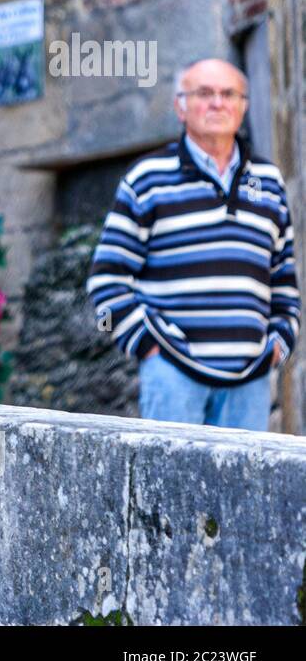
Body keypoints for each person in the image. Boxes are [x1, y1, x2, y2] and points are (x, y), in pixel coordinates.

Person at [87, 58, 300, 430]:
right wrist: (149, 347)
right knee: (168, 487)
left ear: (243, 106)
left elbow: (284, 279)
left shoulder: (268, 182)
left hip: (249, 379)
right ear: (180, 107)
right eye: (204, 93)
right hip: (173, 376)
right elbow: (107, 280)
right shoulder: (147, 179)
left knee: (242, 489)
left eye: (228, 94)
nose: (217, 103)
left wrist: (279, 341)